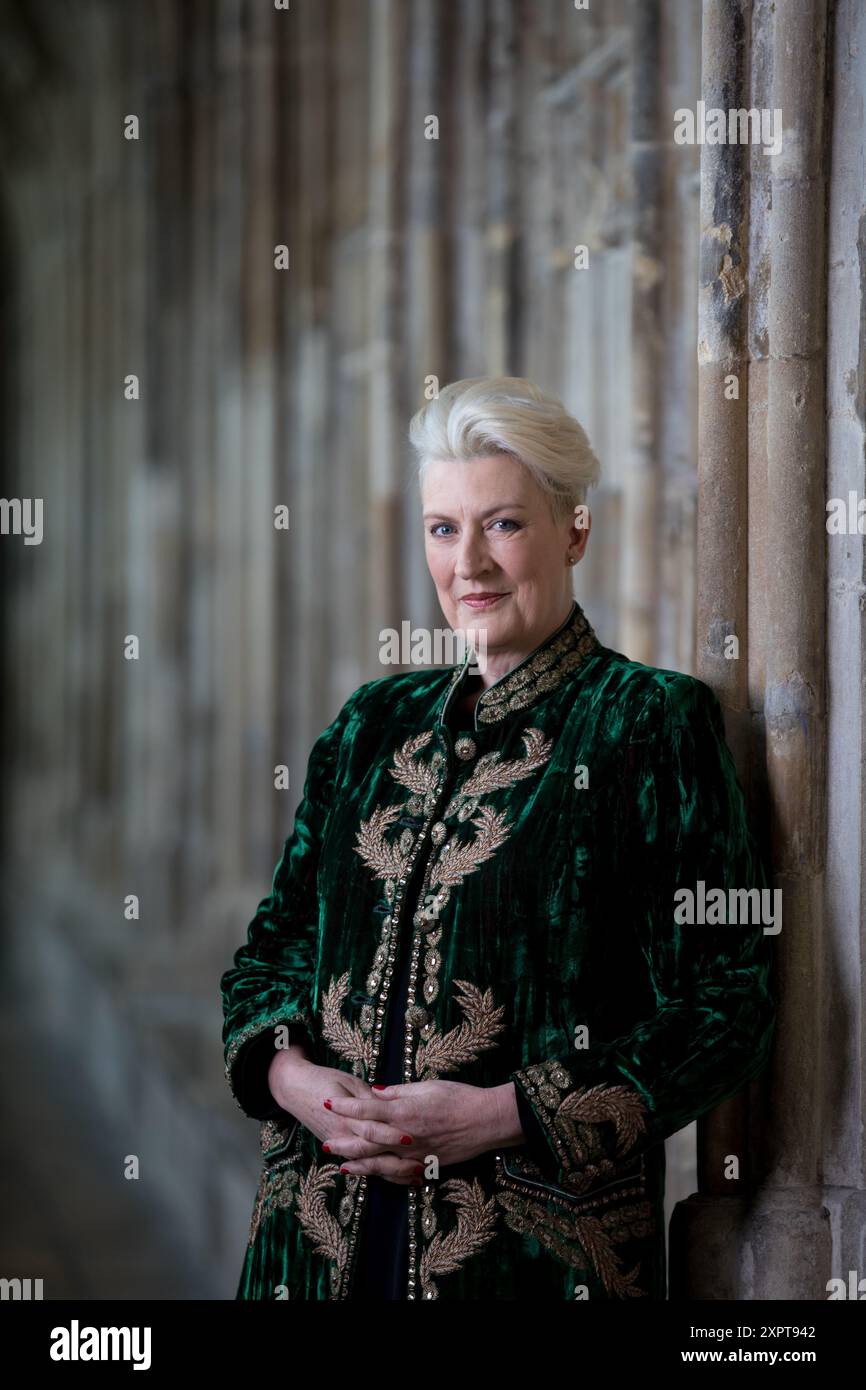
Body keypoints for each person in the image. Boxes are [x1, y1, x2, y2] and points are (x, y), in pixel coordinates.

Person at [220, 375, 776, 1300]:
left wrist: (504, 1113)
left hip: (530, 1258)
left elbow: (729, 998)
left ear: (575, 532)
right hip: (315, 1241)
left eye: (504, 525)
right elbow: (273, 952)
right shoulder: (370, 724)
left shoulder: (648, 724)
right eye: (444, 528)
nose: (468, 562)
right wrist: (289, 1077)